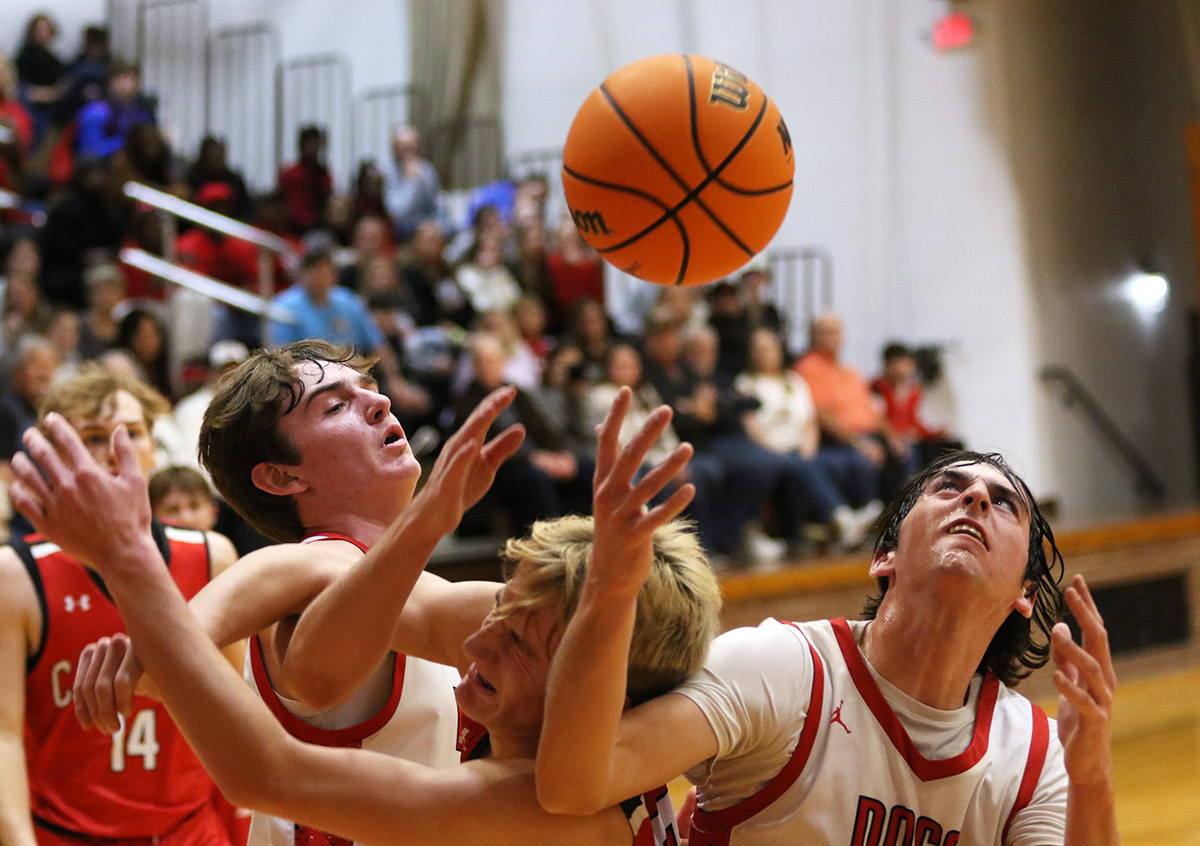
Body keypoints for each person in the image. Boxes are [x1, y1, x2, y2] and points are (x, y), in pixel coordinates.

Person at [14, 384, 714, 846]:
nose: (478, 639)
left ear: (590, 688)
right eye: (498, 607)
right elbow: (326, 568)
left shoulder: (537, 810)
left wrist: (131, 562)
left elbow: (270, 768)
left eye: (518, 643)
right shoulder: (618, 728)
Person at [535, 449, 1121, 845]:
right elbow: (577, 783)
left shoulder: (1037, 755)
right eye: (949, 487)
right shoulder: (782, 670)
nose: (974, 500)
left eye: (1004, 503)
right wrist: (608, 588)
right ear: (883, 556)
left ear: (1025, 592)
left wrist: (1091, 775)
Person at [0, 365, 239, 846]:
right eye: (90, 436)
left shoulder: (212, 555)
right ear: (54, 457)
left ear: (154, 447)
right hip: (69, 834)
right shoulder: (14, 574)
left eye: (131, 433)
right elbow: (4, 736)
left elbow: (239, 713)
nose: (115, 450)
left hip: (192, 831)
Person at [380, 124, 440, 244]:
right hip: (398, 230)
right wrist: (411, 182)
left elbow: (437, 204)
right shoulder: (385, 172)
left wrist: (437, 226)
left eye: (412, 147)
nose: (409, 152)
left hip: (425, 227)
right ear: (395, 149)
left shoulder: (427, 170)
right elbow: (397, 213)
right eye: (404, 147)